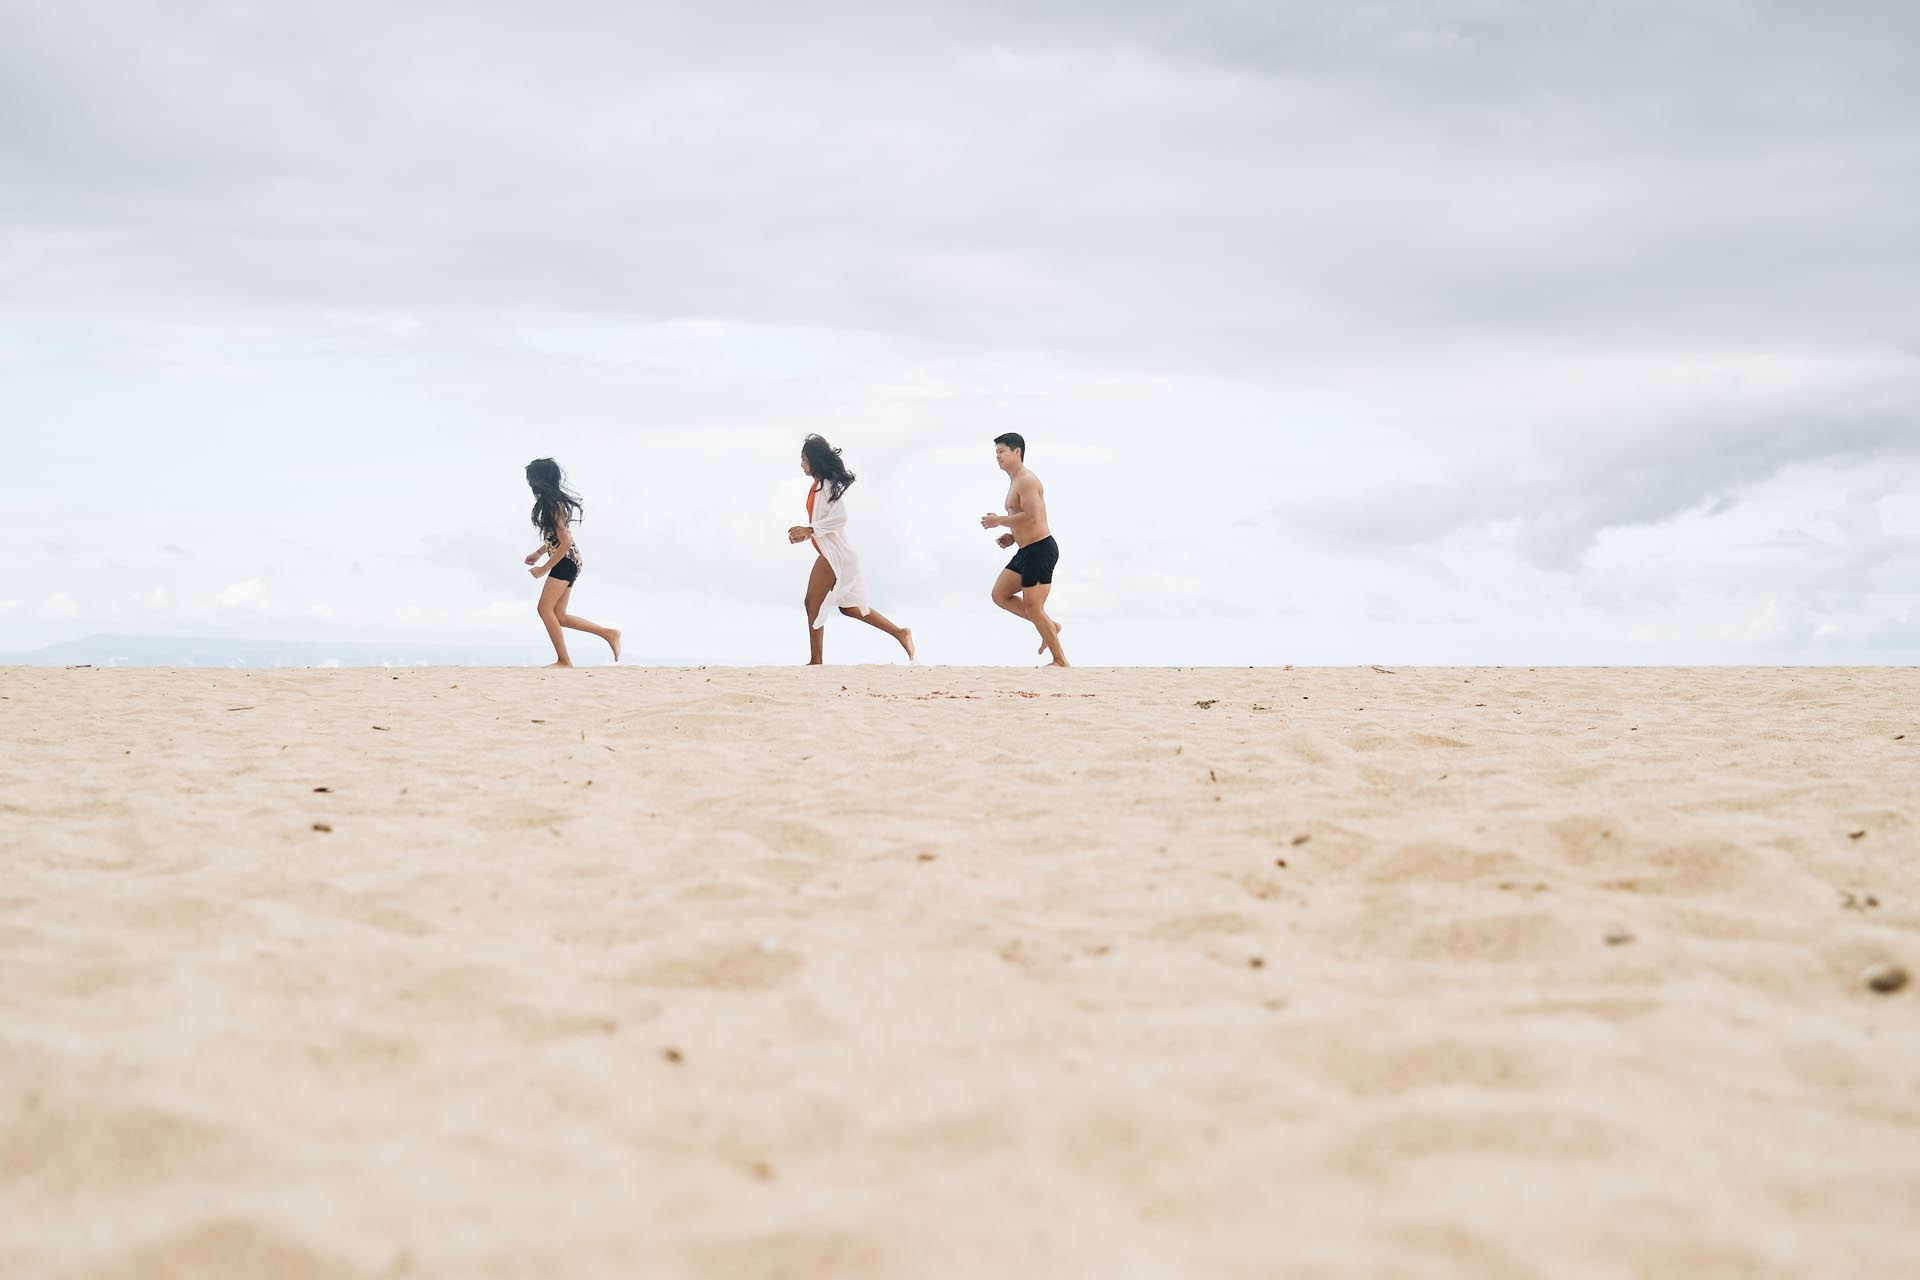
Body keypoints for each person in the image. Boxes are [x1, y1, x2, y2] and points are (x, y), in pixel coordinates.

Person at [788, 434, 915, 666]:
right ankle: (900, 633)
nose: (801, 464)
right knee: (849, 609)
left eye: (804, 459)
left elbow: (840, 518)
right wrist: (808, 533)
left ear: (814, 461)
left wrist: (809, 529)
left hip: (837, 556)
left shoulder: (825, 486)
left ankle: (816, 661)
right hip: (835, 553)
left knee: (812, 602)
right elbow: (825, 523)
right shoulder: (817, 486)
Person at [523, 458, 620, 668]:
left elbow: (565, 542)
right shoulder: (551, 504)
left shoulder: (553, 506)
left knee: (544, 609)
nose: (529, 483)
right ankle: (608, 633)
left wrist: (543, 569)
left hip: (565, 561)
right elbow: (557, 538)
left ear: (541, 480)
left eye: (531, 478)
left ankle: (564, 660)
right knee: (559, 616)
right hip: (570, 560)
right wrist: (539, 553)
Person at [980, 433, 1067, 667]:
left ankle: (1060, 660)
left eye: (1001, 451)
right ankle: (1050, 626)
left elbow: (1033, 516)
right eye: (996, 453)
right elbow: (1023, 518)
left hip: (1040, 549)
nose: (997, 456)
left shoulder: (1027, 480)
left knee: (1033, 606)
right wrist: (1012, 535)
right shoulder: (1015, 481)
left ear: (1016, 451)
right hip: (1025, 551)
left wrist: (999, 521)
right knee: (1000, 595)